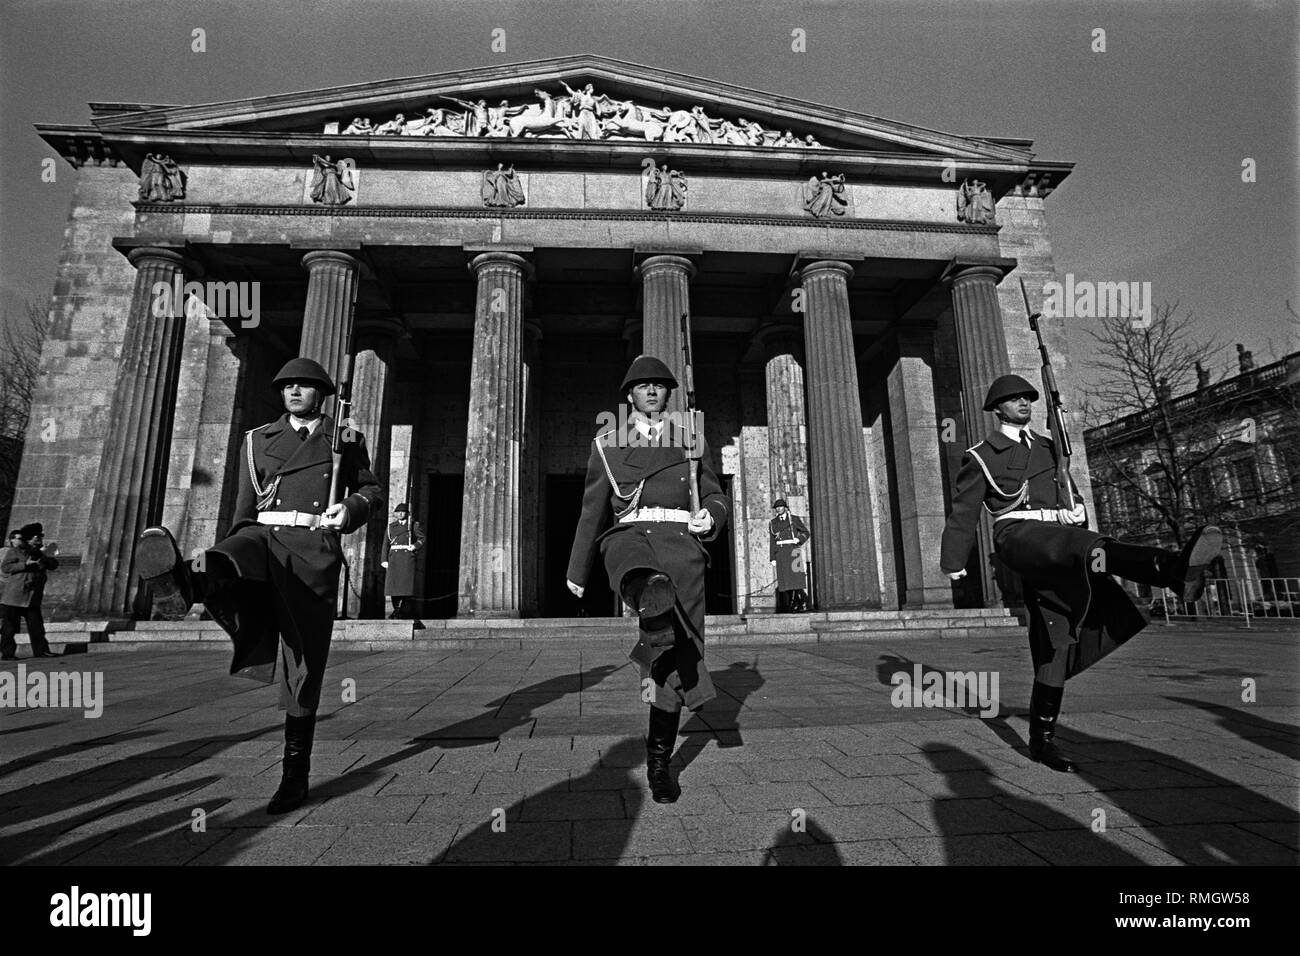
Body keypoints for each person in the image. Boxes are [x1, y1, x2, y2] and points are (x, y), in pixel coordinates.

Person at [940, 374, 1222, 773]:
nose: (1024, 402)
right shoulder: (982, 454)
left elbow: (1069, 496)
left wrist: (1077, 512)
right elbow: (964, 512)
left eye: (1028, 397)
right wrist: (954, 562)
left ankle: (1042, 741)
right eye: (1014, 398)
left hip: (1058, 539)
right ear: (996, 408)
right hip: (1017, 536)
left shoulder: (1050, 448)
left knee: (1054, 641)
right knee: (1079, 547)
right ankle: (1172, 569)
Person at [135, 357, 381, 812]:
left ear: (321, 394)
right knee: (231, 554)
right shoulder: (256, 440)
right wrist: (231, 539)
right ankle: (185, 586)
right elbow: (245, 505)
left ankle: (294, 774)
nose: (293, 392)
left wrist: (350, 509)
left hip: (311, 548)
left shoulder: (345, 439)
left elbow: (372, 490)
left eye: (304, 387)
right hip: (263, 533)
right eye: (287, 386)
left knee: (304, 664)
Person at [566, 355, 730, 803]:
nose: (653, 392)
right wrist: (577, 570)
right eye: (643, 386)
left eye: (660, 385)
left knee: (675, 665)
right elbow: (592, 509)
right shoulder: (609, 443)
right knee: (637, 569)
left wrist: (709, 517)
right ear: (630, 395)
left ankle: (659, 761)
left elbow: (715, 493)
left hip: (682, 545)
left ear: (668, 393)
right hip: (633, 534)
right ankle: (647, 596)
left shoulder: (691, 440)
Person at [1, 524, 59, 660]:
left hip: (32, 597)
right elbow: (6, 567)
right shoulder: (15, 551)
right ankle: (7, 653)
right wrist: (25, 565)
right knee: (9, 628)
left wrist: (47, 559)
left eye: (40, 536)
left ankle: (41, 651)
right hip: (15, 595)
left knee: (37, 627)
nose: (40, 538)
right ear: (29, 539)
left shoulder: (41, 552)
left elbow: (53, 565)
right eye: (37, 536)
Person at [382, 502, 425, 629]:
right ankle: (396, 610)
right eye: (398, 512)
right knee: (393, 586)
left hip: (406, 558)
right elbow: (386, 544)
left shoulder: (413, 525)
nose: (400, 514)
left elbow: (422, 538)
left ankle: (399, 610)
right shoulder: (391, 527)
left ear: (407, 513)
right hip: (394, 558)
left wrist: (415, 546)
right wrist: (384, 559)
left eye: (403, 512)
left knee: (404, 587)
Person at [768, 499, 811, 612]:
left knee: (796, 580)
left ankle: (796, 603)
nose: (778, 509)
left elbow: (806, 532)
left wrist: (799, 539)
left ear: (785, 507)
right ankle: (791, 604)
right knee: (785, 582)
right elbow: (772, 541)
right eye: (776, 507)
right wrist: (772, 557)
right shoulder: (773, 523)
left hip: (793, 551)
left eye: (780, 506)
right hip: (781, 553)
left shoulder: (794, 519)